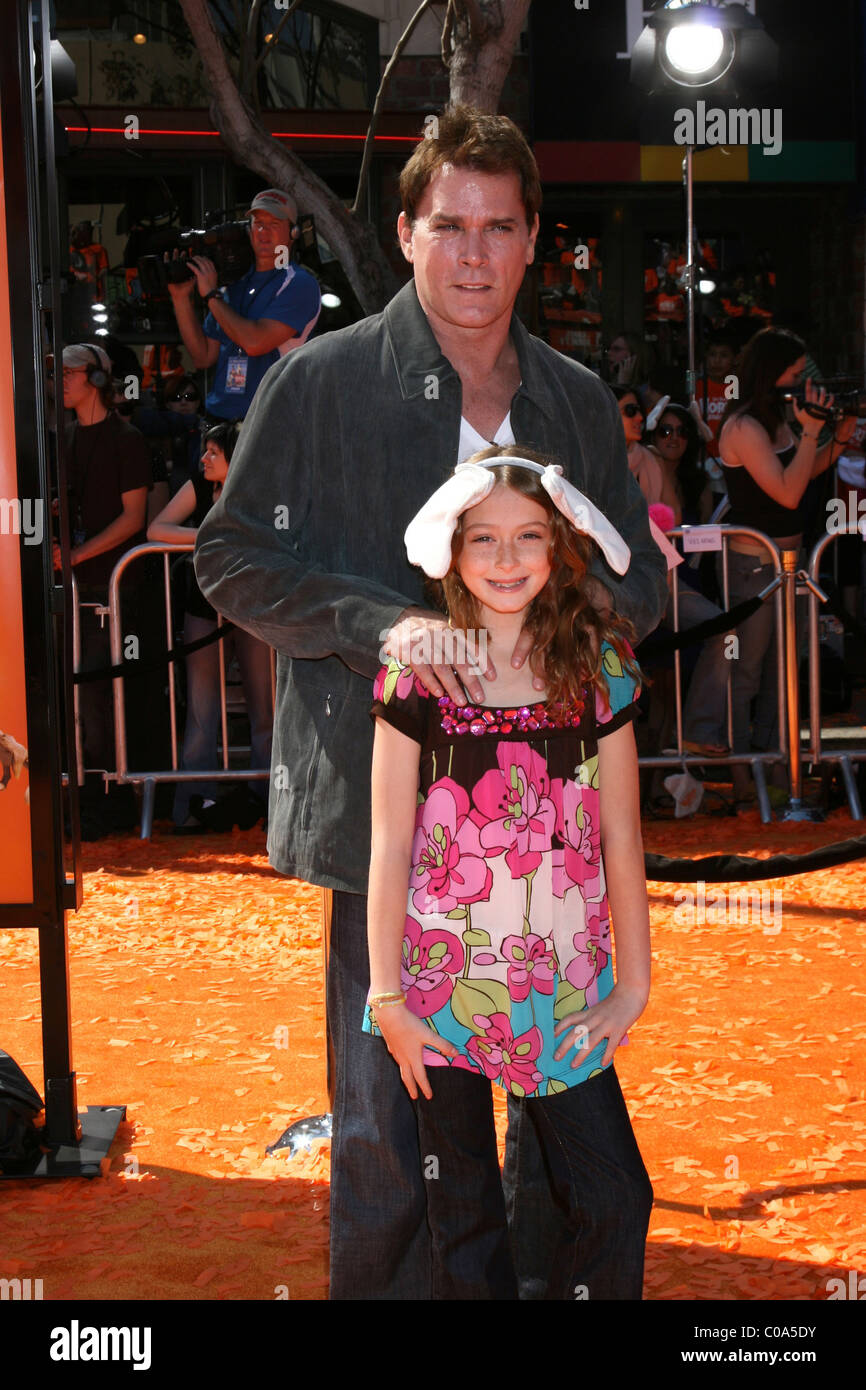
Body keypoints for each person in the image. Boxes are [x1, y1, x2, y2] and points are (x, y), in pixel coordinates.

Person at [194, 105, 668, 1300]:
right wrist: (382, 625)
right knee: (392, 1150)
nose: (471, 253)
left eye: (497, 227)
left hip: (546, 852)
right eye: (448, 225)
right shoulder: (318, 381)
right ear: (405, 233)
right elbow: (230, 558)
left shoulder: (573, 400)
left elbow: (639, 587)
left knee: (564, 1163)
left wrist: (558, 635)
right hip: (387, 826)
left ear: (531, 240)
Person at [366, 447, 653, 1299]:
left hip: (566, 986)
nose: (505, 557)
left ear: (560, 547)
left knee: (615, 1196)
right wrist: (388, 999)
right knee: (463, 1221)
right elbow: (389, 841)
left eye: (528, 535)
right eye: (483, 538)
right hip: (439, 988)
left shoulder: (599, 667)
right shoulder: (417, 673)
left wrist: (633, 985)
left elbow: (623, 837)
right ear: (452, 550)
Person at [718, 327, 857, 804]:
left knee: (785, 673)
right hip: (755, 565)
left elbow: (804, 472)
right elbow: (787, 492)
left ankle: (776, 766)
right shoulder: (743, 427)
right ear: (770, 372)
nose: (801, 384)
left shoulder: (774, 419)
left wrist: (836, 441)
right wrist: (813, 432)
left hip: (790, 563)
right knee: (749, 672)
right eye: (795, 374)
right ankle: (741, 772)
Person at [147, 423, 273, 831]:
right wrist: (211, 535)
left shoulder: (260, 488)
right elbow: (156, 529)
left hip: (253, 611)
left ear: (236, 457)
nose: (204, 458)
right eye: (205, 450)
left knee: (265, 708)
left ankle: (270, 802)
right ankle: (192, 804)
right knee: (201, 711)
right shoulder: (199, 487)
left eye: (214, 452)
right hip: (202, 609)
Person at [56, 342, 155, 835]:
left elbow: (134, 518)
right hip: (78, 586)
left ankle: (111, 798)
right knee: (78, 692)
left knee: (101, 692)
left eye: (69, 372)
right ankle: (86, 794)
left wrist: (78, 554)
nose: (61, 381)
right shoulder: (64, 439)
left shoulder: (127, 439)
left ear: (96, 378)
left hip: (115, 586)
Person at [167, 188, 322, 422]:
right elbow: (203, 356)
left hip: (269, 420)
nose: (263, 231)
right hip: (220, 419)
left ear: (293, 232)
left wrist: (211, 295)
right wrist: (180, 299)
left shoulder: (299, 283)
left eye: (274, 224)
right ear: (248, 230)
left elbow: (254, 343)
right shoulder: (234, 284)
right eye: (258, 223)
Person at [646, 404, 729, 759]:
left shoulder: (698, 481)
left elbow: (706, 530)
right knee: (659, 697)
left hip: (689, 584)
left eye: (682, 431)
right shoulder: (641, 467)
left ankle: (694, 737)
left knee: (677, 688)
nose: (673, 438)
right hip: (654, 587)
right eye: (665, 430)